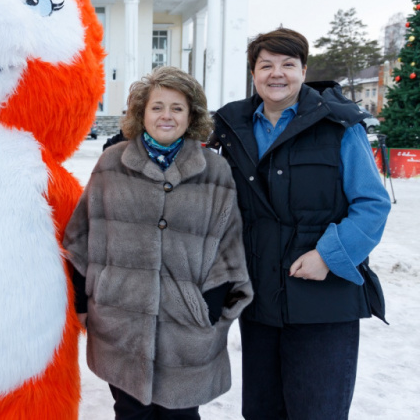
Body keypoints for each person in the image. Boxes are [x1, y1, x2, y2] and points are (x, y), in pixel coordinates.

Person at [210, 28, 392, 420]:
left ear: (304, 70)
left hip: (323, 300)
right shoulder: (232, 129)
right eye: (266, 65)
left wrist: (328, 256)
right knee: (262, 411)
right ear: (253, 73)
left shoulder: (339, 127)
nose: (277, 74)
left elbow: (372, 204)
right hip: (259, 300)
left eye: (288, 64)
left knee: (317, 410)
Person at [64, 66, 253, 419]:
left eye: (177, 108)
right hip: (119, 323)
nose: (166, 115)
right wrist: (86, 304)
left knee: (180, 415)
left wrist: (207, 312)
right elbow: (80, 238)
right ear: (141, 113)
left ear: (191, 115)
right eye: (157, 106)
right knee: (131, 412)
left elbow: (229, 248)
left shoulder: (214, 172)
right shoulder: (110, 164)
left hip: (187, 328)